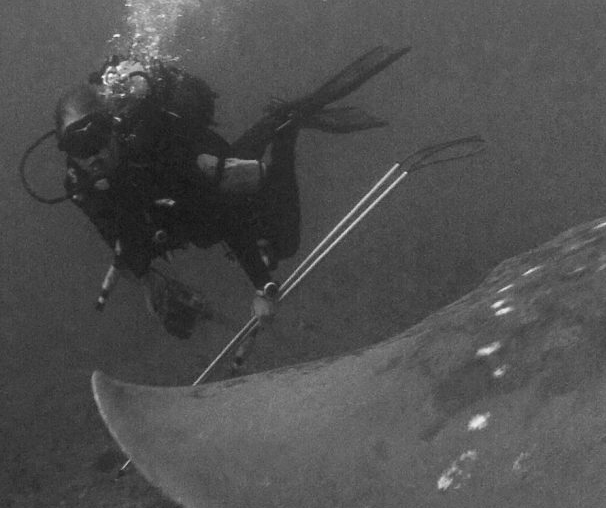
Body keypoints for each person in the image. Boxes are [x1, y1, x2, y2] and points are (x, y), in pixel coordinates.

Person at [53, 45, 408, 337]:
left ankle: (285, 127)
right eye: (81, 149)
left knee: (284, 243)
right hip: (186, 208)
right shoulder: (81, 186)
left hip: (206, 179)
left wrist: (263, 286)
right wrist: (152, 285)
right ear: (68, 152)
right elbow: (118, 236)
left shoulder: (154, 150)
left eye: (99, 139)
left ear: (113, 129)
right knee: (205, 222)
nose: (95, 155)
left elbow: (224, 215)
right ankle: (270, 131)